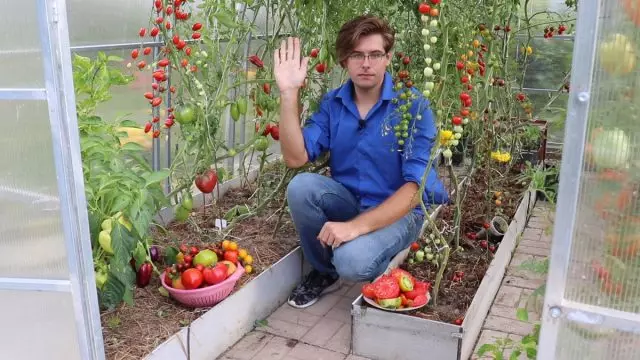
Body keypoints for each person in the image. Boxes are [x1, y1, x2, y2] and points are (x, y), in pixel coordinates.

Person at [273, 15, 449, 308]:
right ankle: (323, 270)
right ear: (344, 60)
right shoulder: (333, 104)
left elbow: (415, 189)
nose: (366, 63)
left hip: (401, 211)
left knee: (353, 262)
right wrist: (289, 93)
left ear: (388, 59)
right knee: (301, 186)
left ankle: (383, 257)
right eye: (357, 55)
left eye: (375, 54)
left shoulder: (413, 106)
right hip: (351, 202)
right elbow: (295, 158)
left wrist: (355, 228)